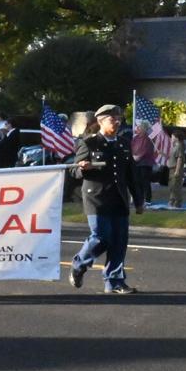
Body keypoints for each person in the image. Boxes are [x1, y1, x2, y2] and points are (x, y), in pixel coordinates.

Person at [68, 105, 139, 295]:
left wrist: (139, 200)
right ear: (100, 121)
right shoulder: (89, 143)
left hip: (119, 198)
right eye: (112, 119)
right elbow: (73, 170)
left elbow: (131, 174)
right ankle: (79, 264)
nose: (117, 122)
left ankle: (114, 282)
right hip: (97, 198)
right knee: (101, 236)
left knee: (119, 241)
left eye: (119, 119)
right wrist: (82, 168)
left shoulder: (124, 143)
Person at [130, 119, 155, 211]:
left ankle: (147, 200)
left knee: (145, 182)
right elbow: (131, 148)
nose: (137, 128)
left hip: (145, 163)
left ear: (144, 129)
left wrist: (138, 157)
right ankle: (139, 199)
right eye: (137, 127)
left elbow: (146, 150)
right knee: (137, 181)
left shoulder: (148, 139)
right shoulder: (135, 138)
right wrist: (133, 156)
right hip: (136, 163)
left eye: (139, 127)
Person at [165, 127, 186, 207]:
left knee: (175, 186)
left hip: (175, 168)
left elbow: (179, 159)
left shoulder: (179, 146)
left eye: (172, 137)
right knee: (171, 186)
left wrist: (177, 170)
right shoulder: (174, 146)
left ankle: (177, 202)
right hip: (171, 168)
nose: (171, 138)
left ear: (177, 138)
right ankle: (172, 200)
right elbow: (172, 156)